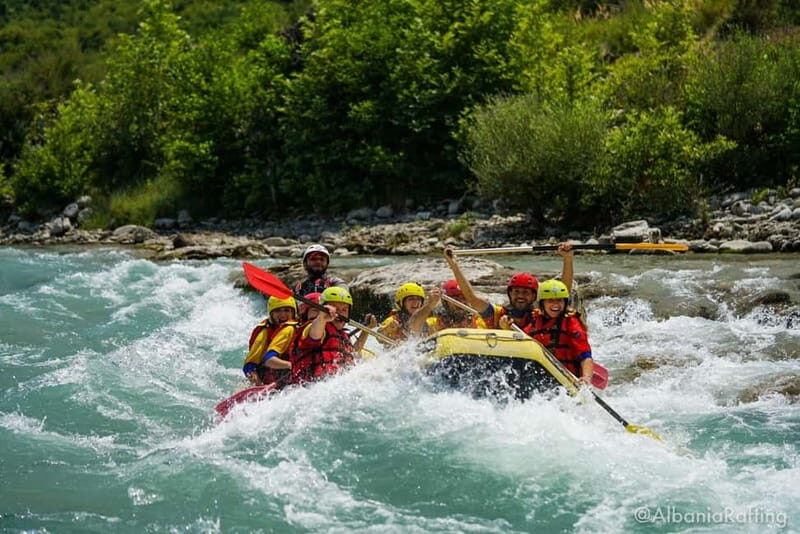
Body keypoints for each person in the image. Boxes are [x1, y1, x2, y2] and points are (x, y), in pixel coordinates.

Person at [442, 243, 574, 331]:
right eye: (516, 292)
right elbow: (471, 298)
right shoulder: (496, 314)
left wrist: (567, 259)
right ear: (509, 294)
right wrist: (454, 264)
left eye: (526, 292)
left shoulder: (541, 314)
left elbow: (563, 292)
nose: (520, 296)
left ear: (534, 296)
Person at [291, 286, 375, 384]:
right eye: (336, 308)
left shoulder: (342, 335)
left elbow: (353, 354)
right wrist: (322, 317)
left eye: (344, 310)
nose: (340, 313)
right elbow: (315, 336)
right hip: (311, 387)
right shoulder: (315, 327)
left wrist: (366, 330)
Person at [527, 279, 594, 384]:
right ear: (542, 304)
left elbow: (585, 356)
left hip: (567, 378)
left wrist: (586, 378)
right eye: (550, 300)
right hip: (541, 379)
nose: (555, 304)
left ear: (565, 302)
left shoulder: (571, 322)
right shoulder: (534, 321)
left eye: (559, 300)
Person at [242, 296, 298, 386]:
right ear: (271, 314)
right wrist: (259, 384)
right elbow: (249, 366)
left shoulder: (298, 326)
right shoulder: (264, 333)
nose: (283, 315)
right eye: (278, 311)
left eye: (287, 310)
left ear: (293, 313)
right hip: (266, 376)